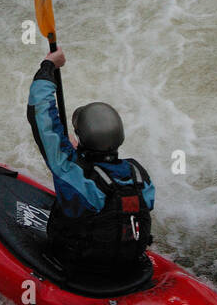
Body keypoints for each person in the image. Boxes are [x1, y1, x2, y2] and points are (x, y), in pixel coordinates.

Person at [26, 47, 154, 274]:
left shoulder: (71, 173)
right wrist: (80, 155)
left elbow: (41, 114)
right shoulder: (139, 176)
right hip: (128, 264)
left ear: (82, 139)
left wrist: (48, 67)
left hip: (80, 267)